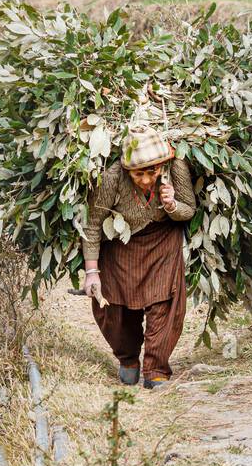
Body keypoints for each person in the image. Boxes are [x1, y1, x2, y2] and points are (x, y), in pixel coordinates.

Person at [82, 130, 196, 388]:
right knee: (114, 306)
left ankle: (156, 368)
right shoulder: (112, 177)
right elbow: (92, 226)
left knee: (165, 302)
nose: (146, 180)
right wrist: (91, 272)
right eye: (138, 174)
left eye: (152, 172)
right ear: (126, 169)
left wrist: (172, 206)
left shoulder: (175, 167)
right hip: (121, 245)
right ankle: (128, 358)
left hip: (163, 242)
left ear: (162, 165)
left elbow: (189, 209)